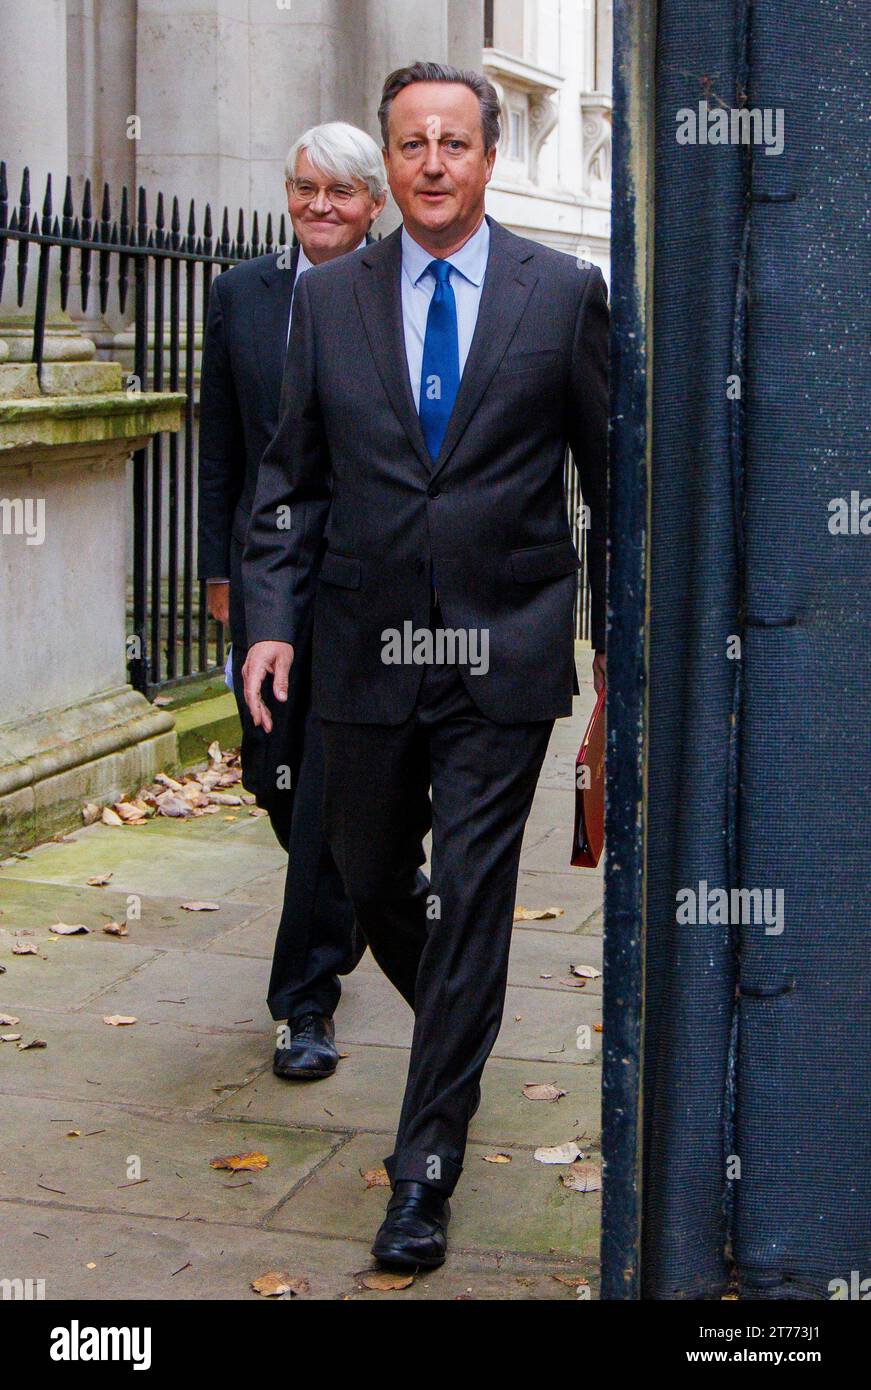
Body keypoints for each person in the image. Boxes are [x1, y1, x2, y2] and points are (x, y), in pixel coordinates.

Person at [243, 62, 608, 1269]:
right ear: (389, 165)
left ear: (488, 157)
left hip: (503, 655)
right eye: (413, 143)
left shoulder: (561, 295)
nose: (434, 161)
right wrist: (271, 618)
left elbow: (611, 483)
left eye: (455, 140)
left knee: (471, 899)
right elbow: (288, 481)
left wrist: (614, 656)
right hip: (363, 645)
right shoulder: (332, 299)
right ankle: (461, 1023)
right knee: (362, 871)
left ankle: (424, 1168)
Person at [197, 122, 386, 1080]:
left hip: (362, 579)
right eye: (304, 188)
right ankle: (364, 891)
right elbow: (221, 444)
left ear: (373, 206)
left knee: (322, 789)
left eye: (340, 193)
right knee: (276, 774)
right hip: (267, 574)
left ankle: (303, 1000)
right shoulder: (239, 292)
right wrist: (220, 580)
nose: (319, 207)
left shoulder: (399, 290)